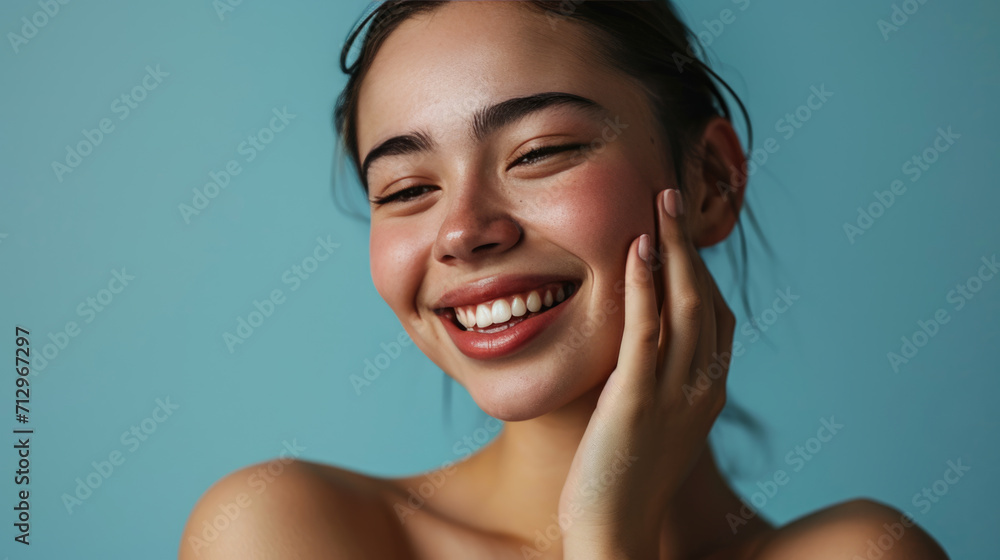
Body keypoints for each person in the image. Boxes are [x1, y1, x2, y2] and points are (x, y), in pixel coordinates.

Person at [180, 1, 951, 557]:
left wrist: (609, 534)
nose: (461, 230)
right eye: (407, 190)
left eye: (539, 152)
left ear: (712, 179)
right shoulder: (278, 528)